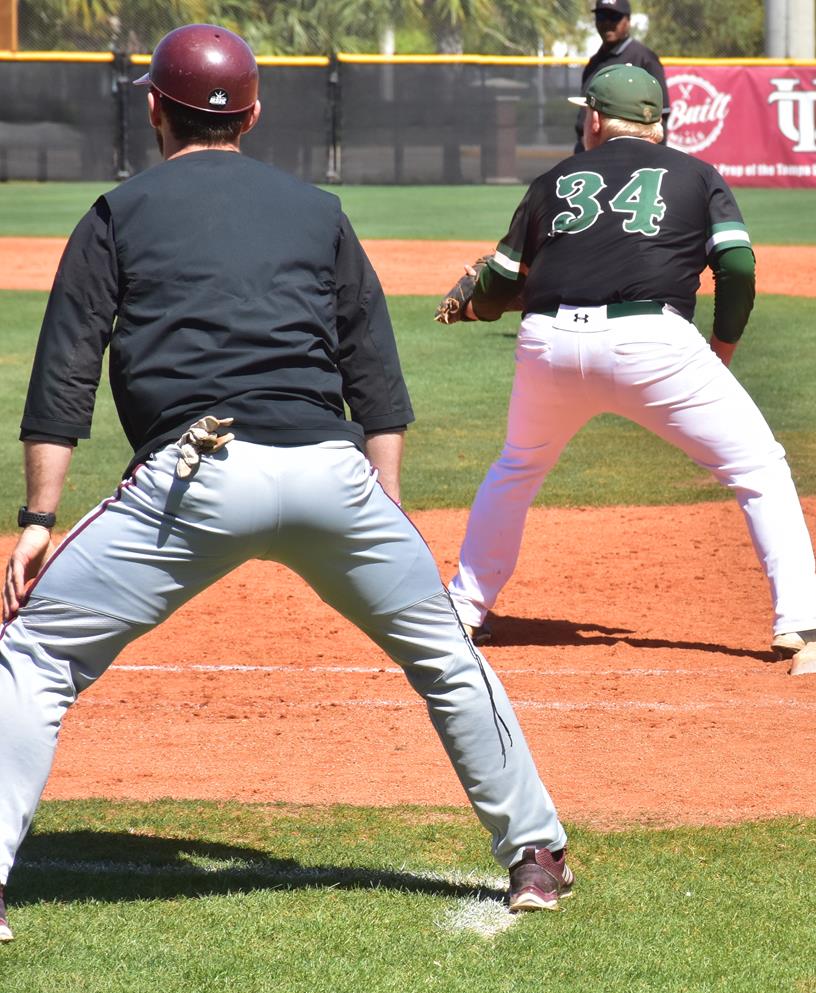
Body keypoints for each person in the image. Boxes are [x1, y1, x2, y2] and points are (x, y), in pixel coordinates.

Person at [0, 25, 572, 945]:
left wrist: (38, 517)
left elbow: (64, 374)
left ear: (154, 110)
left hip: (195, 477)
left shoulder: (117, 211)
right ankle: (536, 853)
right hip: (331, 475)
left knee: (37, 654)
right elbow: (373, 369)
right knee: (443, 656)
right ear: (254, 113)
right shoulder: (318, 210)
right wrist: (383, 504)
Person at [435, 65, 816, 658]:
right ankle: (801, 617)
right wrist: (723, 346)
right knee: (758, 466)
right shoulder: (698, 175)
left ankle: (463, 608)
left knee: (516, 468)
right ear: (657, 123)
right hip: (652, 341)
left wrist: (478, 308)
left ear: (597, 119)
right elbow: (737, 266)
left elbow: (498, 284)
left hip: (549, 341)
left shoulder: (553, 180)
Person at [574, 0, 670, 152]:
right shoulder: (594, 62)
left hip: (629, 154)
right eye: (601, 16)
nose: (607, 23)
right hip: (587, 150)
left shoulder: (644, 58)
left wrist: (653, 156)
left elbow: (660, 116)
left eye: (614, 17)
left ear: (628, 20)